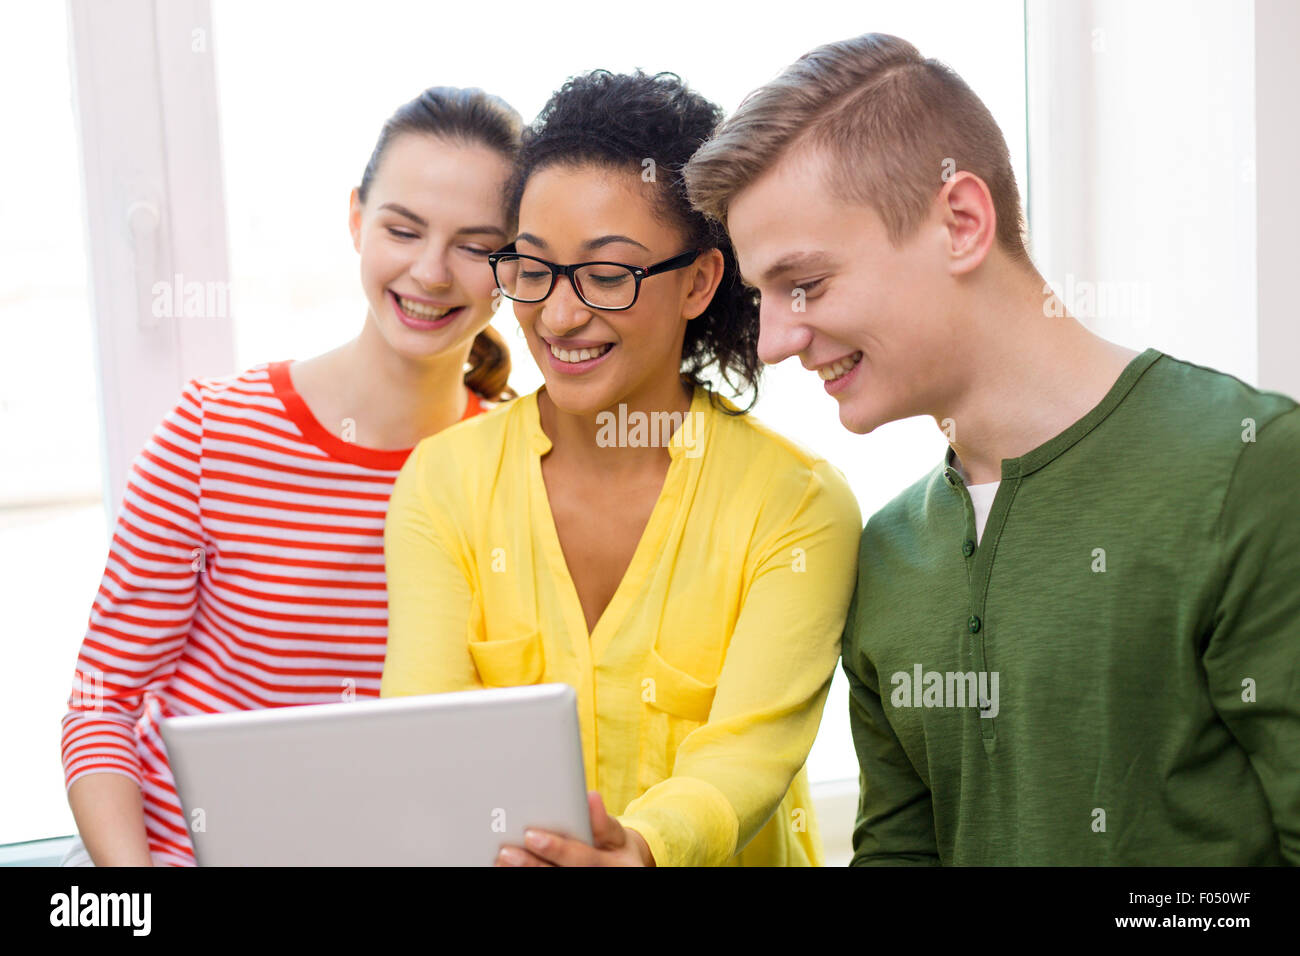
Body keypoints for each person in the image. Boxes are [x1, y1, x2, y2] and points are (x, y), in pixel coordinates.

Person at [684, 32, 1300, 865]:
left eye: (807, 284)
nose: (774, 341)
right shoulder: (891, 554)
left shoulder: (1253, 467)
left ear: (961, 223)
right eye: (765, 298)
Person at [380, 69, 861, 867]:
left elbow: (745, 756)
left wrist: (646, 846)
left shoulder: (796, 507)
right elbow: (424, 728)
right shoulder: (444, 482)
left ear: (700, 282)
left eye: (608, 275)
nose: (561, 315)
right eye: (531, 268)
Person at [59, 86, 521, 866]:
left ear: (518, 265)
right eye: (402, 229)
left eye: (476, 246)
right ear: (355, 221)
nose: (431, 271)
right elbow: (101, 705)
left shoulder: (520, 466)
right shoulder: (212, 432)